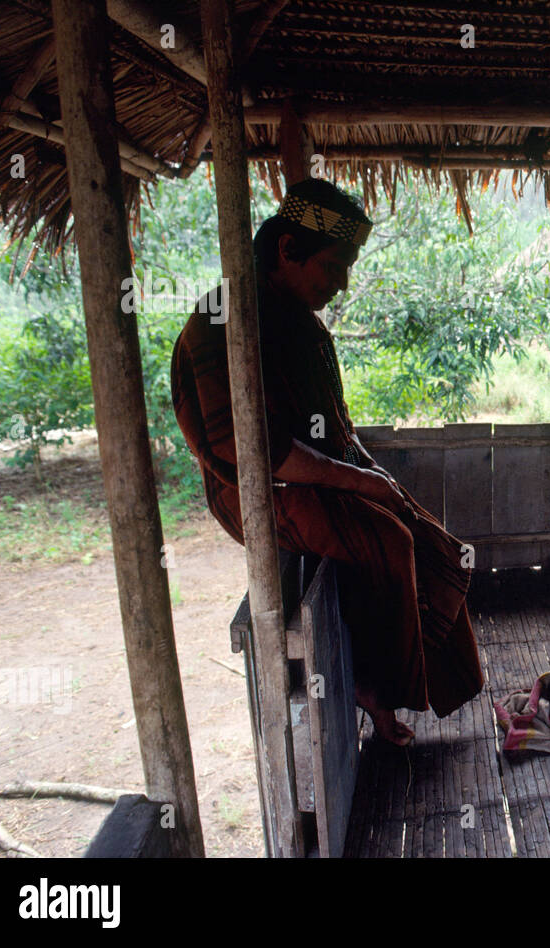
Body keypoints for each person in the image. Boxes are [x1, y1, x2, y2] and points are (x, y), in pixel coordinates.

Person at [170, 178, 482, 746]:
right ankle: (380, 696)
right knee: (388, 540)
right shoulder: (221, 324)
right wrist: (360, 481)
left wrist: (372, 475)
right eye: (335, 266)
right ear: (289, 249)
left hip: (312, 471)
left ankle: (436, 684)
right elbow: (254, 453)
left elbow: (335, 425)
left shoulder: (300, 322)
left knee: (436, 540)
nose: (341, 284)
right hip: (256, 490)